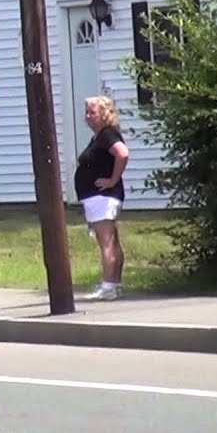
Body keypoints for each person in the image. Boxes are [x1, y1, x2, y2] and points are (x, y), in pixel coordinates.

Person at [74, 95, 130, 301]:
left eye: (93, 113)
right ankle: (115, 284)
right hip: (100, 197)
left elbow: (122, 154)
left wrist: (112, 180)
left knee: (106, 242)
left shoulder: (107, 135)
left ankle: (108, 286)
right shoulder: (101, 136)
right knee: (112, 241)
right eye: (87, 113)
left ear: (105, 114)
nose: (88, 117)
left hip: (102, 197)